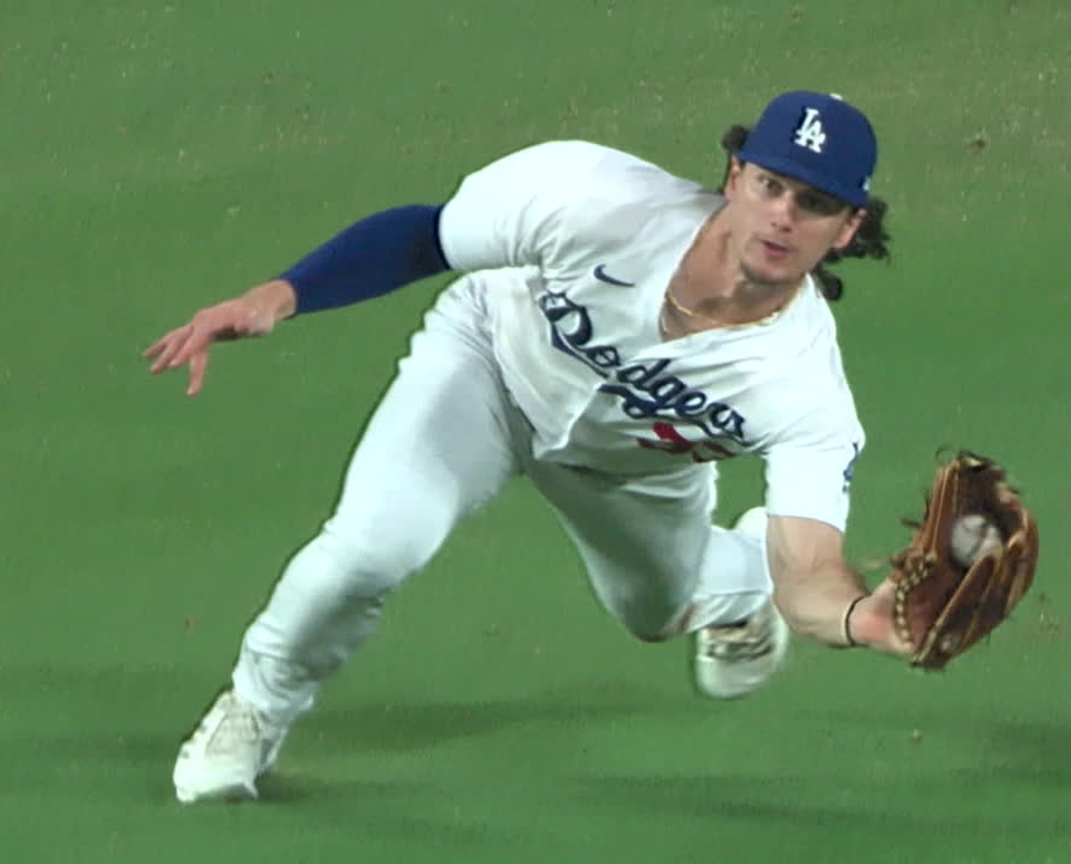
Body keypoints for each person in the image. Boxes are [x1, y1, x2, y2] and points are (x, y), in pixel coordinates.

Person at [145, 90, 912, 804]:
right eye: (771, 185)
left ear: (846, 229)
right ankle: (256, 706)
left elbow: (808, 568)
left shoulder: (803, 386)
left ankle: (740, 590)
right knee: (371, 549)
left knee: (659, 612)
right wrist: (279, 296)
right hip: (487, 368)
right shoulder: (594, 198)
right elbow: (425, 236)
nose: (782, 216)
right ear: (736, 174)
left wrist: (860, 621)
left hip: (630, 473)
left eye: (813, 203)